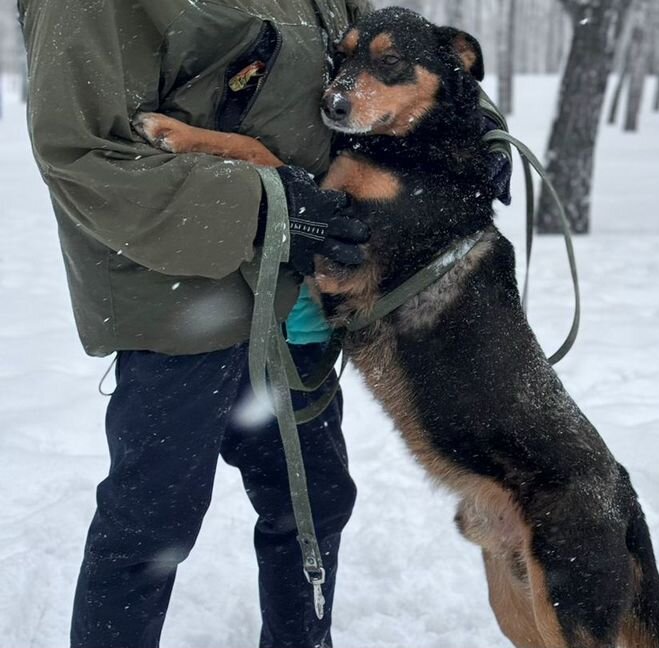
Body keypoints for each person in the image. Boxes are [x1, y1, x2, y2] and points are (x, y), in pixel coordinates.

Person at [18, 1, 510, 647]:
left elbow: (393, 57)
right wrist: (269, 206)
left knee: (313, 506)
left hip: (300, 298)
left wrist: (475, 123)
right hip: (181, 303)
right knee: (151, 527)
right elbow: (84, 154)